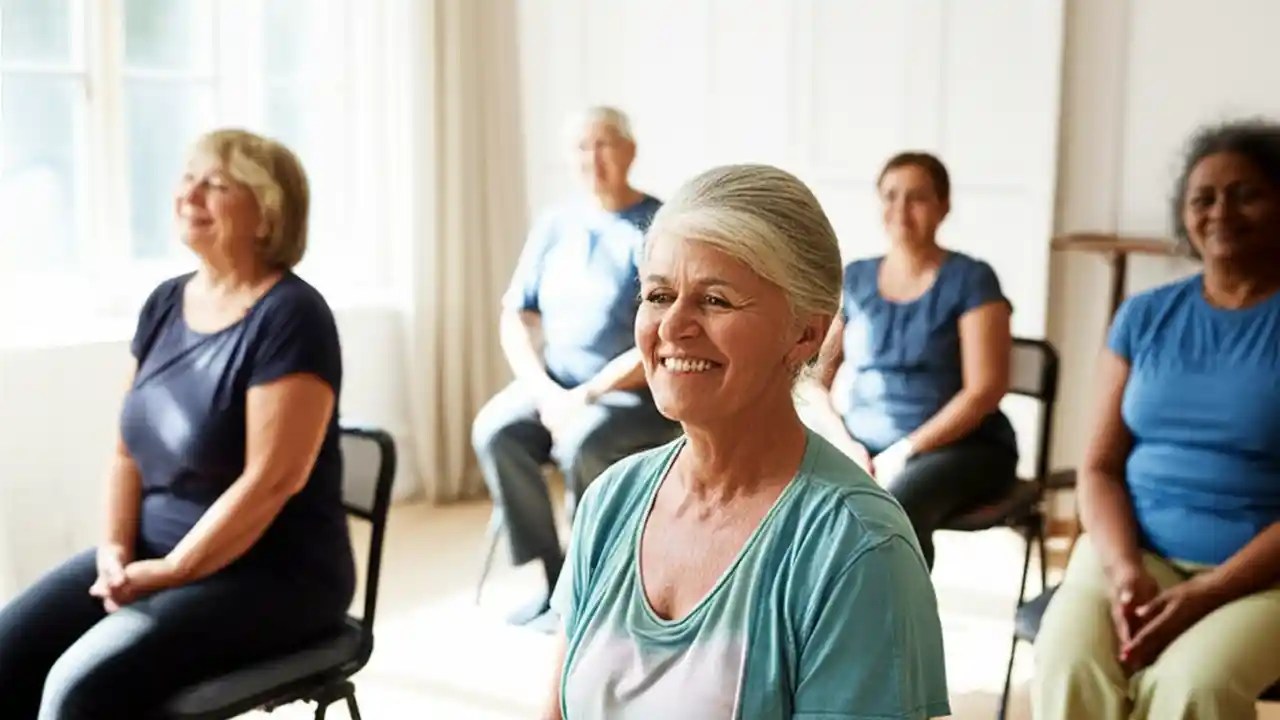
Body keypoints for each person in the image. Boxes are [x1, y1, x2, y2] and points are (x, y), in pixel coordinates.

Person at [542, 164, 950, 719]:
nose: (672, 326)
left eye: (715, 300)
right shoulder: (610, 501)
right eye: (659, 294)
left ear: (806, 332)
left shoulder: (858, 550)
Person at [0, 128, 354, 718]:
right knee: (8, 655)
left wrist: (172, 571)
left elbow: (272, 480)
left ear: (267, 214)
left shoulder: (293, 315)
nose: (189, 195)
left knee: (80, 692)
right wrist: (113, 550)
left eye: (215, 184)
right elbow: (125, 451)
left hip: (274, 576)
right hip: (151, 553)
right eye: (187, 178)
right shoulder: (165, 302)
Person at [1033, 119, 1280, 719]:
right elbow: (1097, 467)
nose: (1220, 211)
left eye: (1244, 192)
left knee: (1190, 688)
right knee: (1069, 663)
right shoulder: (1143, 317)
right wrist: (1122, 570)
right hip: (1133, 553)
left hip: (1259, 578)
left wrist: (1208, 592)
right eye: (1203, 198)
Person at [472, 106, 677, 626]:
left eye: (605, 144)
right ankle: (552, 574)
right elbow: (514, 314)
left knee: (584, 440)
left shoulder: (659, 226)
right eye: (582, 147)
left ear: (630, 151)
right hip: (556, 386)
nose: (593, 158)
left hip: (635, 395)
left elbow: (665, 331)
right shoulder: (555, 224)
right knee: (496, 429)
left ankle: (594, 584)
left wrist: (583, 395)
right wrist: (543, 390)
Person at [798, 151, 1018, 570]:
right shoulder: (856, 278)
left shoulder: (972, 279)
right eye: (890, 196)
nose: (901, 210)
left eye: (917, 197)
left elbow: (985, 390)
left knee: (894, 505)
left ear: (943, 206)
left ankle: (899, 629)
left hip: (962, 448)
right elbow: (812, 380)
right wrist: (844, 443)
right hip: (862, 445)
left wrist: (905, 450)